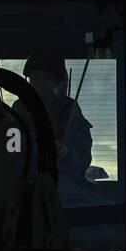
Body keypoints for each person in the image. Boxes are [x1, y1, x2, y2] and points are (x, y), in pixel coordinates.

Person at [22, 54, 94, 187]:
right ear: (29, 78)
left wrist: (65, 152)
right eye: (36, 76)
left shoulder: (70, 110)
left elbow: (84, 159)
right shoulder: (19, 108)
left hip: (65, 184)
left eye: (47, 77)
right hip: (26, 184)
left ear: (56, 82)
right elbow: (9, 148)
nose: (40, 81)